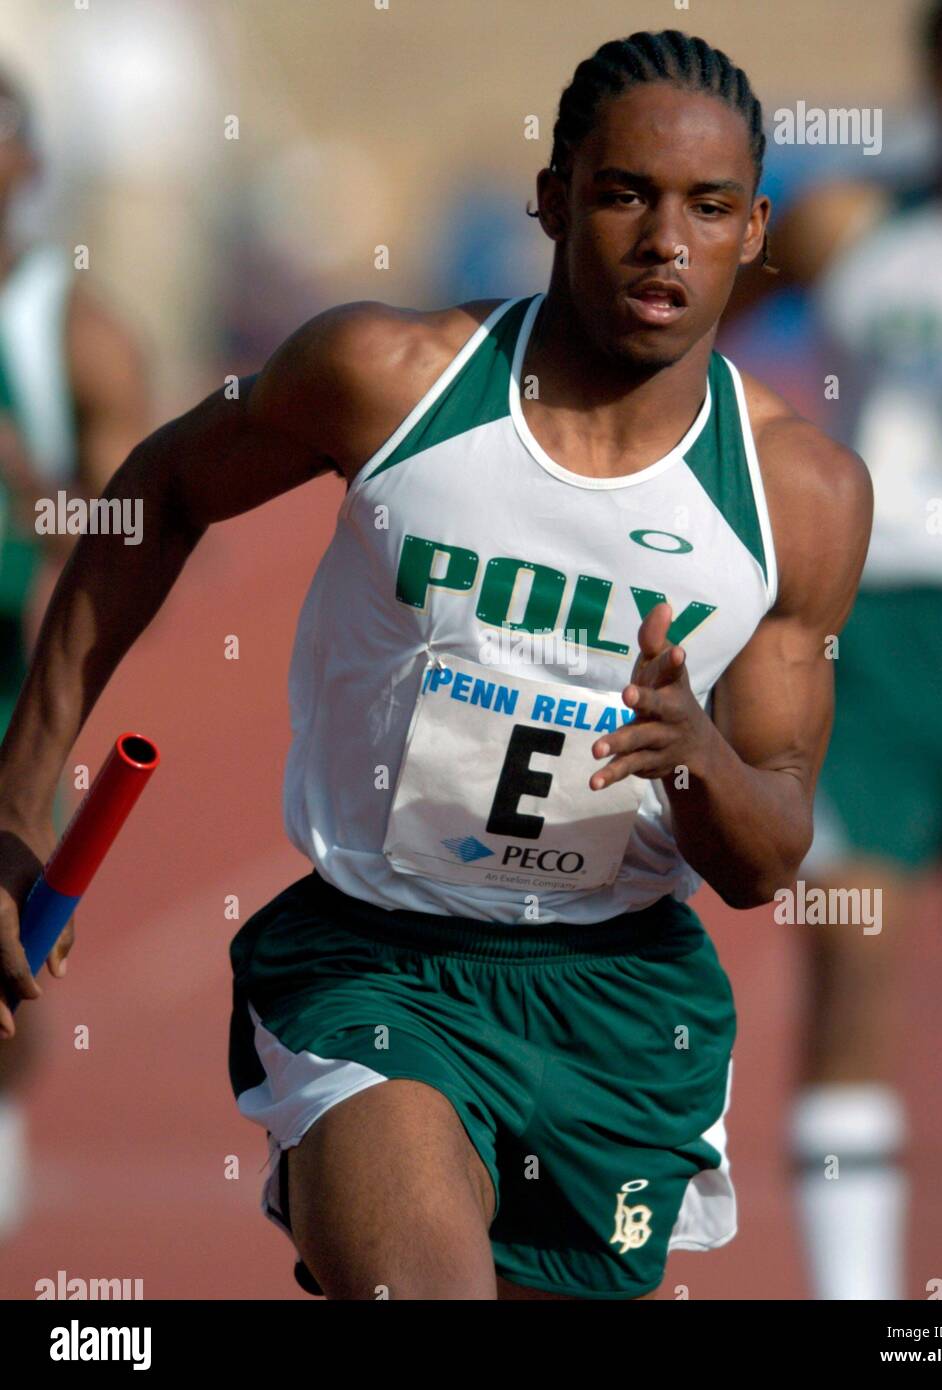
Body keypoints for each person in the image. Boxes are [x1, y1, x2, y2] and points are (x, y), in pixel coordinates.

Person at [0, 29, 871, 1300]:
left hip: (619, 1004)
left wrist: (700, 760)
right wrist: (23, 788)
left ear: (755, 230)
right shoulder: (388, 377)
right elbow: (160, 490)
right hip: (379, 962)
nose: (663, 241)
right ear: (553, 197)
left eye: (709, 206)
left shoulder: (796, 496)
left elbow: (770, 854)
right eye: (625, 194)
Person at [729, 0, 942, 1299]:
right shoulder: (848, 226)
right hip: (870, 638)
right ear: (934, 79)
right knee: (849, 971)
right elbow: (686, 336)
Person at [0, 69, 148, 1240]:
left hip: (7, 687)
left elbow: (123, 539)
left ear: (27, 166)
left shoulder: (73, 335)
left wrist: (18, 471)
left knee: (2, 965)